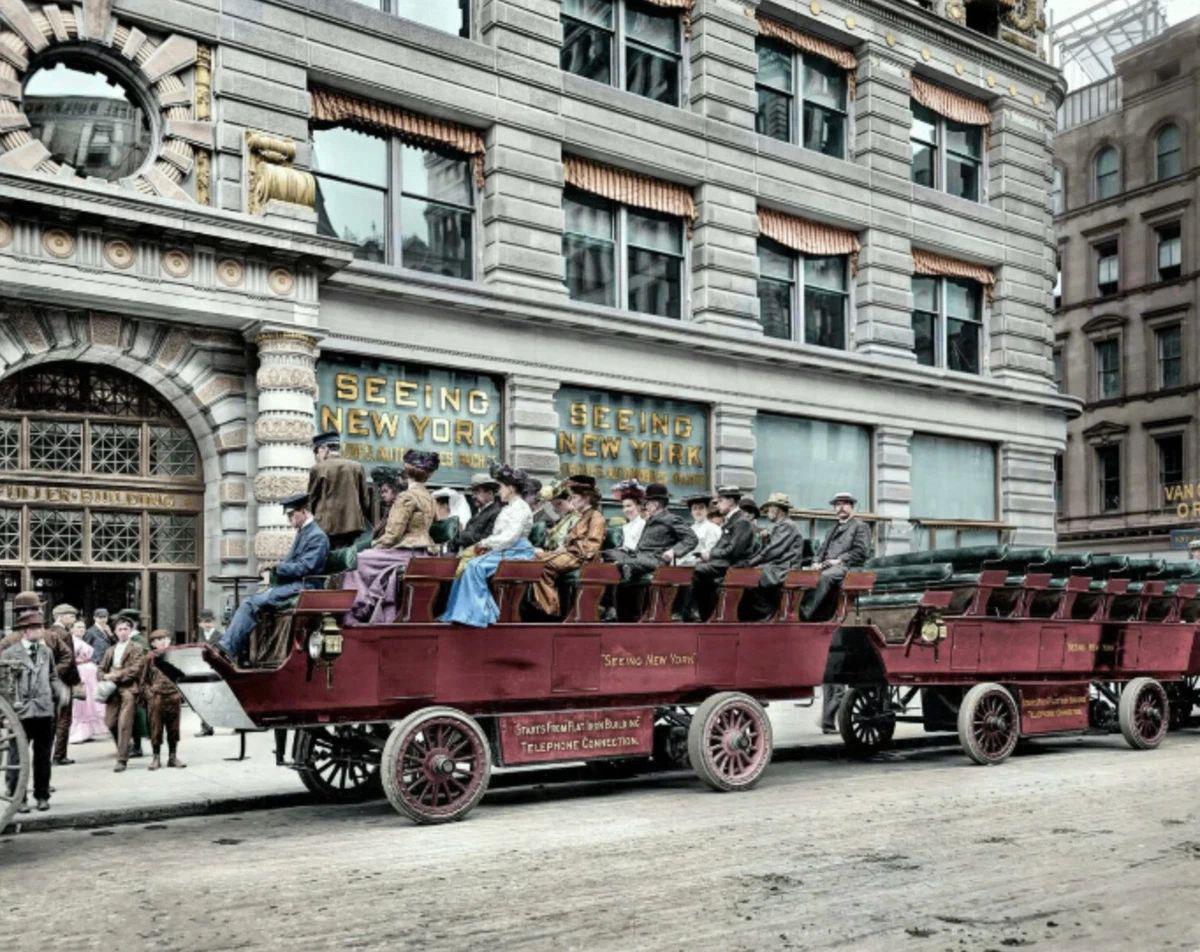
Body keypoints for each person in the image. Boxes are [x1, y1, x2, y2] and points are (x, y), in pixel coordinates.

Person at [216, 493, 330, 664]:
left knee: (250, 603)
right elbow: (295, 563)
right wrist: (275, 566)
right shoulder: (304, 533)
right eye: (288, 516)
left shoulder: (317, 536)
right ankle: (242, 655)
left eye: (292, 515)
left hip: (305, 587)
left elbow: (307, 567)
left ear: (304, 511)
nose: (290, 519)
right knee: (249, 604)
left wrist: (277, 567)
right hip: (294, 585)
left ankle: (228, 649)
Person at [343, 450, 437, 625]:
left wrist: (374, 547)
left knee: (356, 560)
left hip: (407, 552)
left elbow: (392, 536)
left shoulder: (406, 497)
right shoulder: (429, 497)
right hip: (425, 552)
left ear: (407, 471)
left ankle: (361, 607)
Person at [805, 492, 873, 732]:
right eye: (837, 505)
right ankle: (827, 721)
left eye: (844, 504)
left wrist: (838, 561)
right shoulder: (832, 529)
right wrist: (815, 561)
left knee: (824, 577)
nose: (840, 508)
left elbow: (861, 553)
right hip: (829, 571)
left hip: (848, 571)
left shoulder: (860, 527)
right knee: (806, 576)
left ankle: (807, 614)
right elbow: (821, 551)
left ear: (852, 506)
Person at [442, 464, 535, 627]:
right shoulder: (510, 507)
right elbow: (501, 536)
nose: (499, 491)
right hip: (506, 549)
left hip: (517, 551)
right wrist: (487, 545)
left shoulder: (520, 507)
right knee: (466, 564)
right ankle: (460, 612)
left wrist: (485, 542)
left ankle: (481, 613)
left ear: (511, 488)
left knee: (474, 566)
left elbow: (510, 536)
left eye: (501, 487)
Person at [2, 593, 62, 812]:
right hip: (20, 713)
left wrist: (59, 691)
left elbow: (53, 676)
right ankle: (19, 798)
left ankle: (42, 795)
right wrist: (6, 716)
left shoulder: (46, 651)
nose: (41, 630)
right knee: (18, 757)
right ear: (26, 631)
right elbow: (4, 686)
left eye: (41, 626)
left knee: (43, 757)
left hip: (44, 711)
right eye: (37, 627)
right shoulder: (10, 653)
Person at [602, 483, 697, 621]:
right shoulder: (651, 520)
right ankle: (621, 612)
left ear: (656, 504)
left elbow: (691, 539)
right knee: (607, 554)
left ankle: (625, 572)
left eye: (647, 503)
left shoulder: (672, 519)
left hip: (656, 559)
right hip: (640, 557)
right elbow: (645, 545)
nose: (645, 506)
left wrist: (673, 551)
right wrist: (627, 550)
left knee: (623, 565)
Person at [529, 476, 608, 618]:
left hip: (580, 558)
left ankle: (550, 609)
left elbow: (591, 547)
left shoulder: (596, 517)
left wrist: (568, 548)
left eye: (575, 497)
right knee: (531, 558)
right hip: (569, 554)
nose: (571, 501)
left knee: (540, 564)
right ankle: (544, 603)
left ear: (586, 498)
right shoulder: (581, 516)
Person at [686, 486, 759, 622]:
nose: (717, 504)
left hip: (736, 566)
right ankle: (706, 613)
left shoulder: (742, 521)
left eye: (720, 501)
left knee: (695, 571)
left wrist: (710, 555)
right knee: (695, 569)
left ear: (731, 501)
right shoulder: (731, 520)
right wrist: (706, 556)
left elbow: (734, 550)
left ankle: (697, 611)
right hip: (725, 563)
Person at [741, 492, 807, 621]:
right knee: (748, 575)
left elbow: (772, 551)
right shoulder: (781, 526)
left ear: (778, 509)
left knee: (749, 577)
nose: (767, 511)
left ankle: (768, 614)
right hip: (777, 567)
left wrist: (749, 563)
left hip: (784, 570)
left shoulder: (787, 526)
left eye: (770, 508)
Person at [97, 616, 147, 772]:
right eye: (120, 629)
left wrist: (117, 675)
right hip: (112, 690)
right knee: (110, 723)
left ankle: (122, 759)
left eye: (126, 629)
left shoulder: (136, 648)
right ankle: (126, 746)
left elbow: (136, 668)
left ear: (131, 631)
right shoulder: (110, 650)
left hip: (128, 689)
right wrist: (105, 676)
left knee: (124, 724)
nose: (123, 632)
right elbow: (100, 670)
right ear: (115, 632)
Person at [307, 431, 370, 549]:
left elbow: (311, 501)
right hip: (352, 527)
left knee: (328, 562)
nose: (316, 456)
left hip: (326, 527)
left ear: (324, 449)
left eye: (316, 452)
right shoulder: (357, 467)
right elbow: (365, 501)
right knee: (347, 560)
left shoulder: (318, 469)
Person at [141, 629, 185, 770]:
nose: (163, 642)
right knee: (156, 728)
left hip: (174, 696)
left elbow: (183, 676)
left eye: (166, 639)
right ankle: (156, 757)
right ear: (153, 643)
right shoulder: (150, 658)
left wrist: (181, 693)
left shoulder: (176, 657)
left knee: (174, 728)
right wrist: (149, 694)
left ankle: (173, 757)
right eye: (159, 639)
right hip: (157, 697)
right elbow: (143, 679)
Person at [48, 603, 80, 767]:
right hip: (63, 681)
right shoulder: (64, 634)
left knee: (53, 717)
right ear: (60, 616)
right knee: (64, 718)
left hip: (50, 680)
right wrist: (74, 681)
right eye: (71, 616)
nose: (74, 619)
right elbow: (69, 660)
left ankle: (50, 754)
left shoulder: (48, 632)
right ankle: (59, 755)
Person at [69, 619, 106, 743]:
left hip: (89, 672)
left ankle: (88, 731)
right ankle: (78, 732)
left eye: (83, 627)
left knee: (91, 701)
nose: (81, 629)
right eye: (78, 627)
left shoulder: (81, 641)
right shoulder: (71, 641)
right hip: (81, 672)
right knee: (81, 702)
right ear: (72, 629)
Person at [451, 473, 503, 553]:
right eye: (473, 492)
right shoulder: (477, 513)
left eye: (477, 492)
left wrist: (461, 534)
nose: (473, 496)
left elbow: (486, 539)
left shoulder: (496, 513)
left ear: (489, 493)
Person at [194, 609, 222, 737]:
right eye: (204, 622)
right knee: (203, 700)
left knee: (220, 699)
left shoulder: (220, 636)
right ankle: (206, 727)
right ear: (200, 623)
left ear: (214, 623)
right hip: (202, 670)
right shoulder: (198, 637)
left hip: (216, 671)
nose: (207, 624)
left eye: (209, 622)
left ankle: (238, 725)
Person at [678, 494, 721, 566]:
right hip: (689, 565)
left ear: (707, 510)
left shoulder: (712, 528)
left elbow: (710, 552)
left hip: (705, 566)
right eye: (694, 508)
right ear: (691, 512)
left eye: (701, 508)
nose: (698, 511)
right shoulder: (690, 529)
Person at [612, 480, 646, 553]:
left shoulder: (644, 525)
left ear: (639, 506)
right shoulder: (626, 527)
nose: (625, 510)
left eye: (629, 506)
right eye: (623, 507)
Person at [543, 482, 579, 548]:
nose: (556, 509)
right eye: (554, 506)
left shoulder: (577, 518)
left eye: (559, 504)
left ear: (569, 499)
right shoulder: (566, 517)